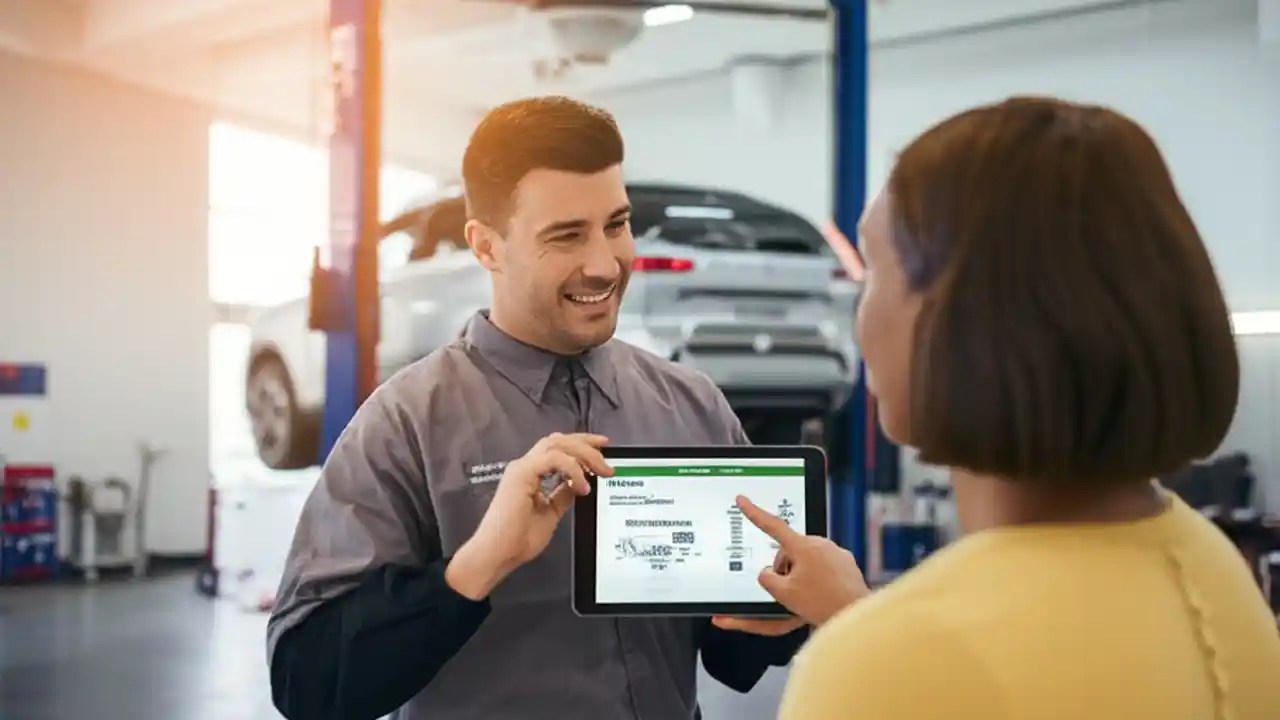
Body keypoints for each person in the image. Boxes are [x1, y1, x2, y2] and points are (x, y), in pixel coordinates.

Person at [722, 96, 1280, 719]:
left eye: (873, 272)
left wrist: (877, 639)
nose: (860, 316)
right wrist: (867, 616)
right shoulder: (1211, 569)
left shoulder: (884, 666)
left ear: (964, 320)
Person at [266, 96, 807, 720]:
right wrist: (477, 565)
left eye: (617, 223)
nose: (605, 263)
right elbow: (306, 681)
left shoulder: (692, 404)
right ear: (486, 246)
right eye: (566, 235)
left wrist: (791, 601)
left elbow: (730, 652)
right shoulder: (405, 424)